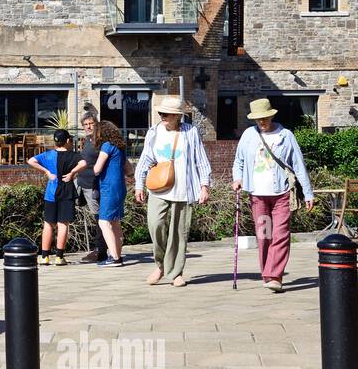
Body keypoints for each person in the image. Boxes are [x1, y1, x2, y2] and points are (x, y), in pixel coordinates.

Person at [232, 98, 315, 293]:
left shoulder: (286, 135)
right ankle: (266, 274)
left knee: (281, 234)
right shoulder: (248, 135)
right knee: (264, 236)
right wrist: (237, 178)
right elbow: (239, 162)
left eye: (265, 117)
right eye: (258, 118)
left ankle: (275, 275)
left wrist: (308, 193)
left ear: (272, 115)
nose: (262, 122)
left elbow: (299, 165)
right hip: (257, 195)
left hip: (281, 194)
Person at [133, 96, 212, 287]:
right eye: (161, 113)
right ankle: (161, 265)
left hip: (183, 189)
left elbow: (200, 159)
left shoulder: (190, 132)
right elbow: (145, 159)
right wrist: (139, 184)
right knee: (156, 224)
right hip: (158, 187)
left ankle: (175, 272)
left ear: (177, 116)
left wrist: (204, 186)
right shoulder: (154, 132)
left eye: (166, 114)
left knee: (179, 232)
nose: (162, 116)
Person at [27, 130, 87, 266]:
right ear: (67, 141)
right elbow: (83, 164)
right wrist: (72, 173)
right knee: (63, 224)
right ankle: (59, 257)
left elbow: (31, 161)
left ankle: (44, 257)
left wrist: (47, 171)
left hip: (51, 192)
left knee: (48, 224)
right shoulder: (73, 155)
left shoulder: (48, 155)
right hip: (67, 192)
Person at [87, 115, 131, 268]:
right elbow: (129, 170)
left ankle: (115, 258)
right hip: (120, 187)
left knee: (104, 221)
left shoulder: (106, 146)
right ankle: (118, 255)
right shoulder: (120, 147)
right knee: (115, 222)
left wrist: (94, 168)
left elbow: (97, 169)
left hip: (109, 188)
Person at [76, 113, 111, 263]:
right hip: (84, 182)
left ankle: (100, 249)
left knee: (99, 217)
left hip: (94, 184)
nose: (89, 126)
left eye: (91, 123)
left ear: (96, 124)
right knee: (96, 216)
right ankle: (101, 248)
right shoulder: (89, 140)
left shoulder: (100, 141)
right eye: (86, 124)